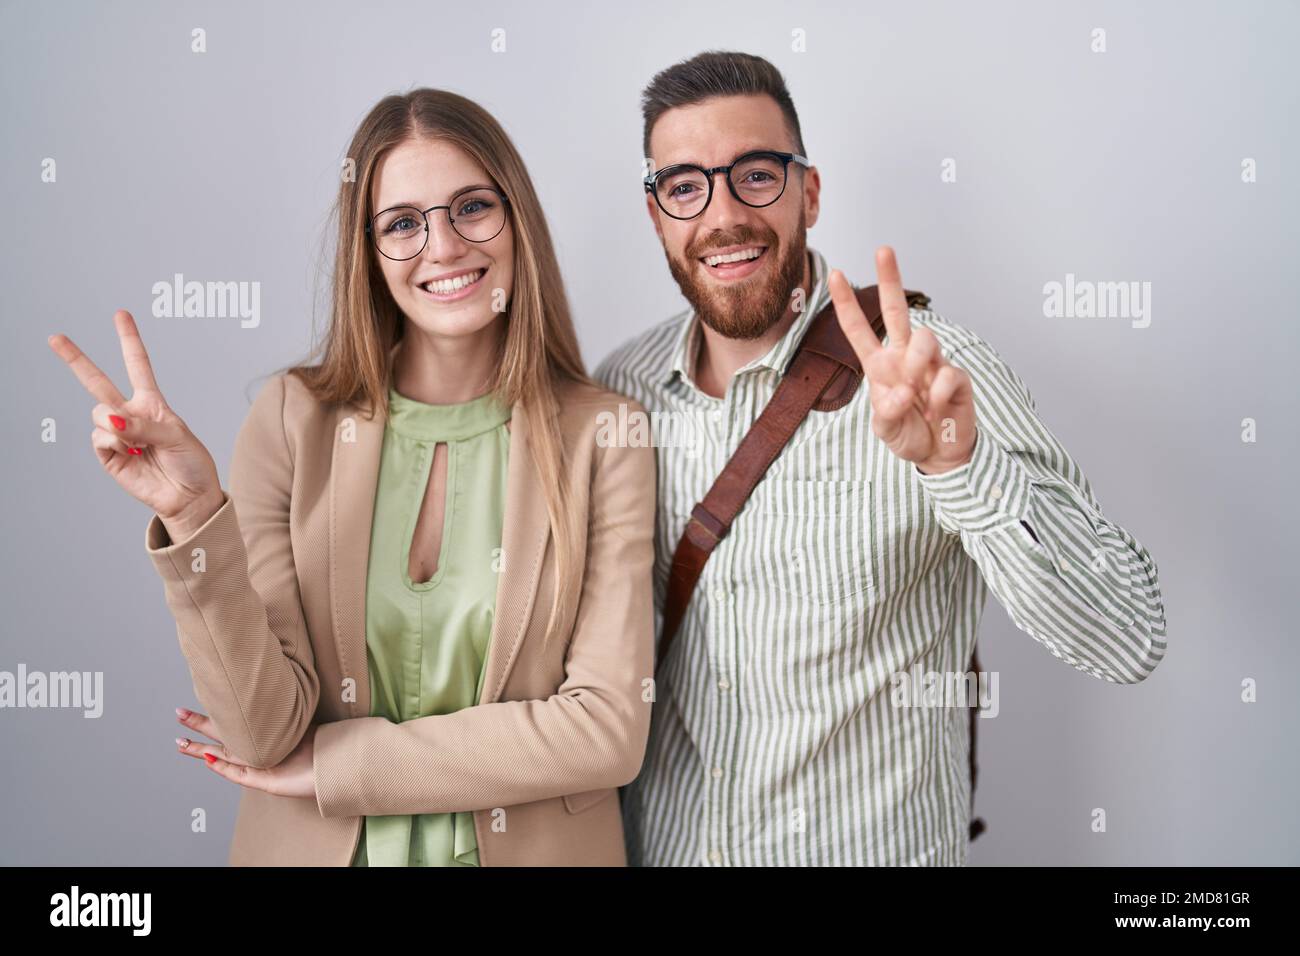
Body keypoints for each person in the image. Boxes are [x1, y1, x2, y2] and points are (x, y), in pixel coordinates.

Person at [48, 88, 655, 866]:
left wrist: (344, 765)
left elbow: (606, 731)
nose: (441, 247)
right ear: (368, 255)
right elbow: (262, 733)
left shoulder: (607, 434)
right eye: (402, 224)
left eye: (472, 207)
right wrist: (196, 515)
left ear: (518, 222)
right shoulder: (290, 419)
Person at [594, 50, 1168, 866]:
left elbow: (1128, 635)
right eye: (686, 186)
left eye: (756, 173)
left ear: (811, 193)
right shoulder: (620, 393)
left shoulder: (935, 376)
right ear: (658, 216)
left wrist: (958, 467)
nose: (722, 215)